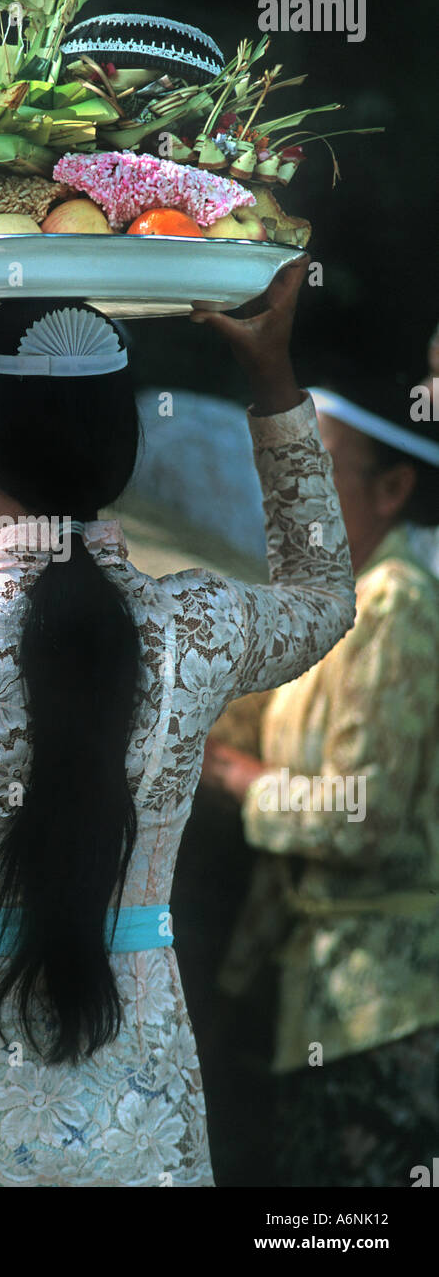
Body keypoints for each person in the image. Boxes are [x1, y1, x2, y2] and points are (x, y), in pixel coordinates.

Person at [0, 262, 356, 1188]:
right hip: (132, 1131)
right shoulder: (195, 626)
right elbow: (322, 594)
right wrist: (271, 380)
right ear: (123, 449)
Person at [202, 376, 439, 1187]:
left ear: (393, 487)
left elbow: (359, 814)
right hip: (317, 993)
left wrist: (235, 778)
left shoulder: (394, 607)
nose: (290, 489)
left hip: (381, 1003)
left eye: (318, 465)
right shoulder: (335, 605)